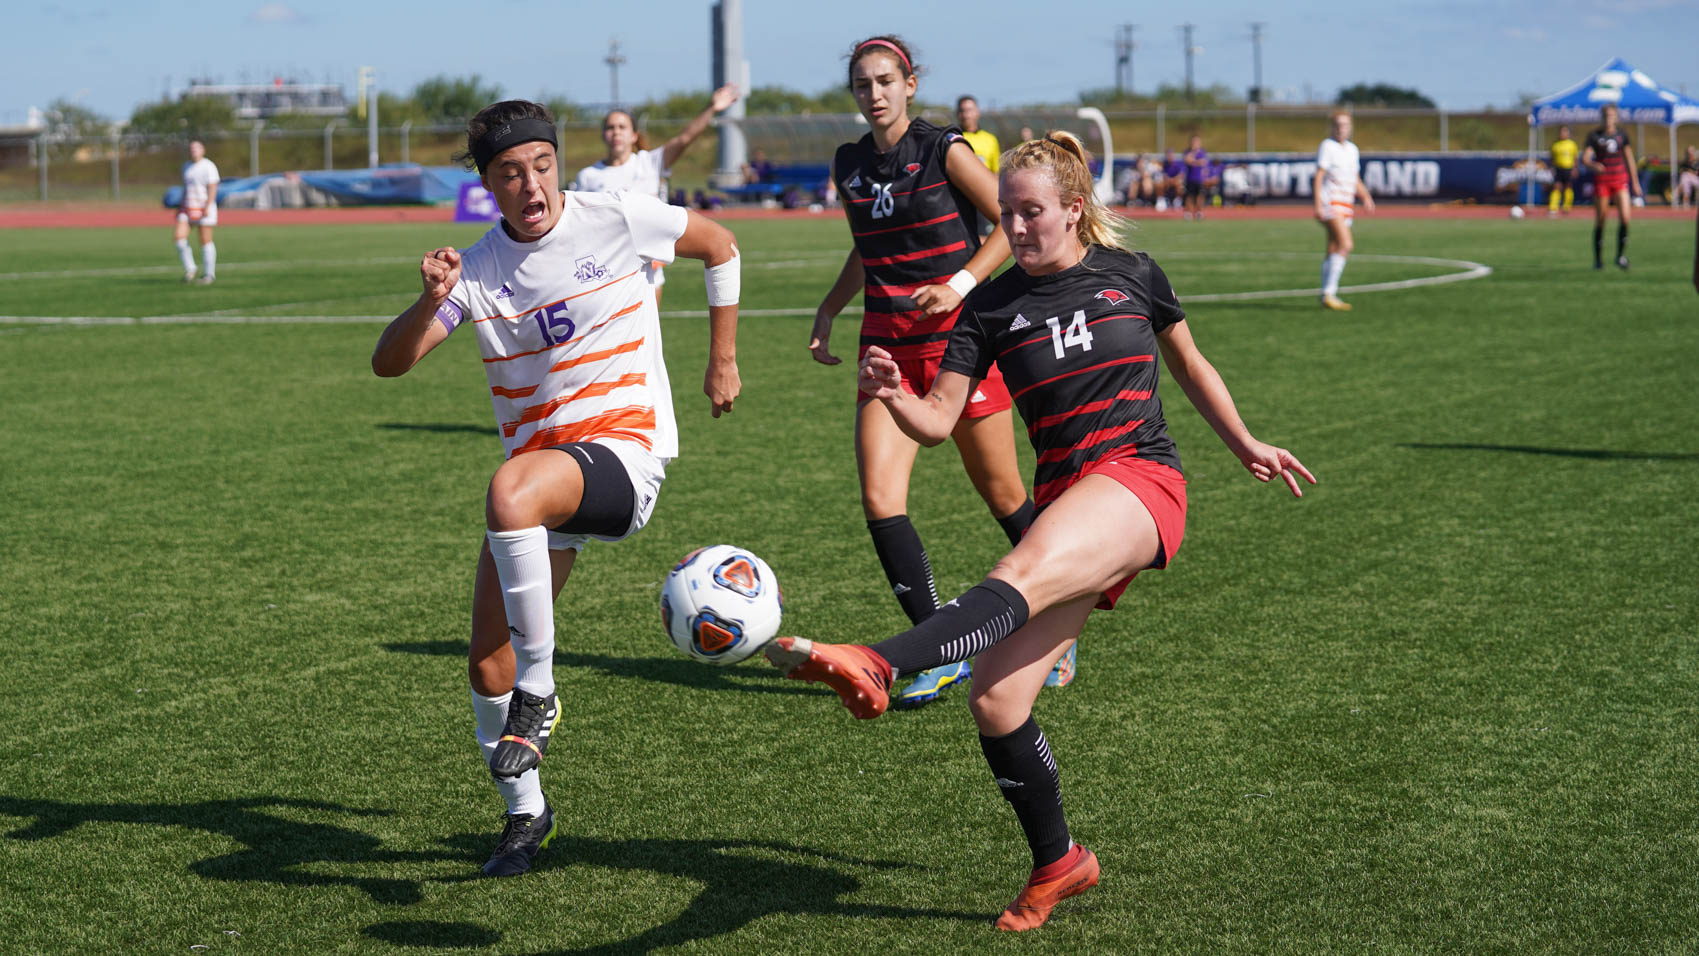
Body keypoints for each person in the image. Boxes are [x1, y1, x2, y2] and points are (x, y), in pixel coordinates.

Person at [765, 131, 1314, 931]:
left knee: (1020, 571)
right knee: (996, 699)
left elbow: (1191, 364)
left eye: (1029, 214)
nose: (1014, 229)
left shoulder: (1131, 273)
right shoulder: (986, 307)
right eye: (1007, 215)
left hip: (1141, 481)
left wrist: (1246, 445)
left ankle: (879, 661)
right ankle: (1061, 861)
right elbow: (937, 421)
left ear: (1074, 210)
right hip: (1069, 500)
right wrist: (890, 391)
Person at [371, 99, 742, 879]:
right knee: (484, 667)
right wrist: (431, 301)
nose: (531, 184)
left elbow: (720, 245)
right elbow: (390, 363)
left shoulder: (614, 216)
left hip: (622, 459)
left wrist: (722, 358)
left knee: (509, 490)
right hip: (547, 490)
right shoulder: (474, 270)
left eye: (541, 166)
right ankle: (524, 815)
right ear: (488, 186)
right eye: (511, 173)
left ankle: (541, 693)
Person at [808, 35, 1060, 707]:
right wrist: (831, 308)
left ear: (910, 83)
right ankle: (938, 650)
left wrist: (957, 282)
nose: (875, 93)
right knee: (879, 500)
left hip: (958, 343)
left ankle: (1056, 629)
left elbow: (1008, 225)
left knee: (1003, 494)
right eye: (862, 84)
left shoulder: (941, 148)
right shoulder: (849, 163)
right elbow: (865, 248)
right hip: (884, 347)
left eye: (886, 80)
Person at [575, 84, 740, 304]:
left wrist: (712, 108)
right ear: (604, 135)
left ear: (634, 135)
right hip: (607, 270)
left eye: (622, 127)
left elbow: (685, 139)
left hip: (648, 271)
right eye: (610, 127)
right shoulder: (587, 176)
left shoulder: (649, 163)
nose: (616, 132)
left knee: (648, 335)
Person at [1313, 112, 1375, 311]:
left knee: (1332, 247)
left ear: (1350, 127)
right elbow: (1319, 176)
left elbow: (1354, 178)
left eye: (1345, 125)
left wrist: (1365, 196)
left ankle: (1326, 294)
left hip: (1346, 204)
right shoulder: (1327, 146)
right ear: (1332, 127)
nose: (1341, 129)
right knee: (1346, 244)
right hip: (1331, 202)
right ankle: (1330, 293)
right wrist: (1317, 205)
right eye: (1338, 125)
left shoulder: (1352, 150)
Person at [1582, 104, 1641, 271]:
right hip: (1603, 181)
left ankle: (1620, 256)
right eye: (1606, 115)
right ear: (1602, 117)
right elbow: (1585, 158)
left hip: (1620, 179)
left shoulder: (1622, 135)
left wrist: (1635, 182)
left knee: (1625, 218)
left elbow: (1629, 158)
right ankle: (1598, 260)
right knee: (1601, 220)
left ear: (1616, 117)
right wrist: (1593, 164)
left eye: (1612, 115)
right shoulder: (1594, 136)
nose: (1609, 118)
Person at [174, 140, 219, 285]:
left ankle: (209, 275)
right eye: (191, 148)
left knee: (205, 240)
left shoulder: (208, 166)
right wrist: (180, 205)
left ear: (203, 150)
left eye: (196, 148)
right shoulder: (186, 167)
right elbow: (185, 188)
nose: (193, 151)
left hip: (203, 208)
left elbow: (213, 187)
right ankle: (191, 268)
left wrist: (207, 206)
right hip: (187, 208)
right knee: (179, 238)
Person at [957, 95, 1001, 235]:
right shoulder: (953, 138)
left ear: (977, 112)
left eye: (969, 110)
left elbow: (996, 171)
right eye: (963, 111)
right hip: (961, 196)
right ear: (958, 114)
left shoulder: (990, 139)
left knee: (983, 235)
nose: (966, 115)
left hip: (983, 197)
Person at [1548, 125, 1578, 217]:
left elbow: (1575, 158)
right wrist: (1552, 167)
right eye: (1562, 132)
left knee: (1568, 187)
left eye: (1565, 132)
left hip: (1568, 168)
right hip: (1558, 168)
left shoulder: (1572, 144)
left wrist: (1575, 169)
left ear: (1568, 133)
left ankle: (1566, 207)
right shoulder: (1555, 145)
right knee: (1556, 187)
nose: (1563, 134)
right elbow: (1552, 158)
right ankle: (1553, 208)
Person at [1182, 134, 1209, 220]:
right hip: (1190, 178)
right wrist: (1194, 156)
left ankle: (1198, 212)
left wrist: (1194, 162)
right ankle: (1188, 212)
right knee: (1189, 196)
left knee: (1200, 196)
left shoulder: (1202, 152)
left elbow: (1203, 163)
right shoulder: (1188, 152)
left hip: (1199, 178)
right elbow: (1187, 160)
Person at [1674, 145, 1699, 210]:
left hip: (1694, 177)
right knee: (1686, 185)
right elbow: (1681, 171)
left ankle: (1677, 192)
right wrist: (1689, 171)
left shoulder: (1696, 161)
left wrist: (1694, 172)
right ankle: (1685, 203)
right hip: (1686, 176)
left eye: (1693, 151)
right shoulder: (1685, 161)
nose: (1692, 152)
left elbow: (1696, 172)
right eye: (1691, 151)